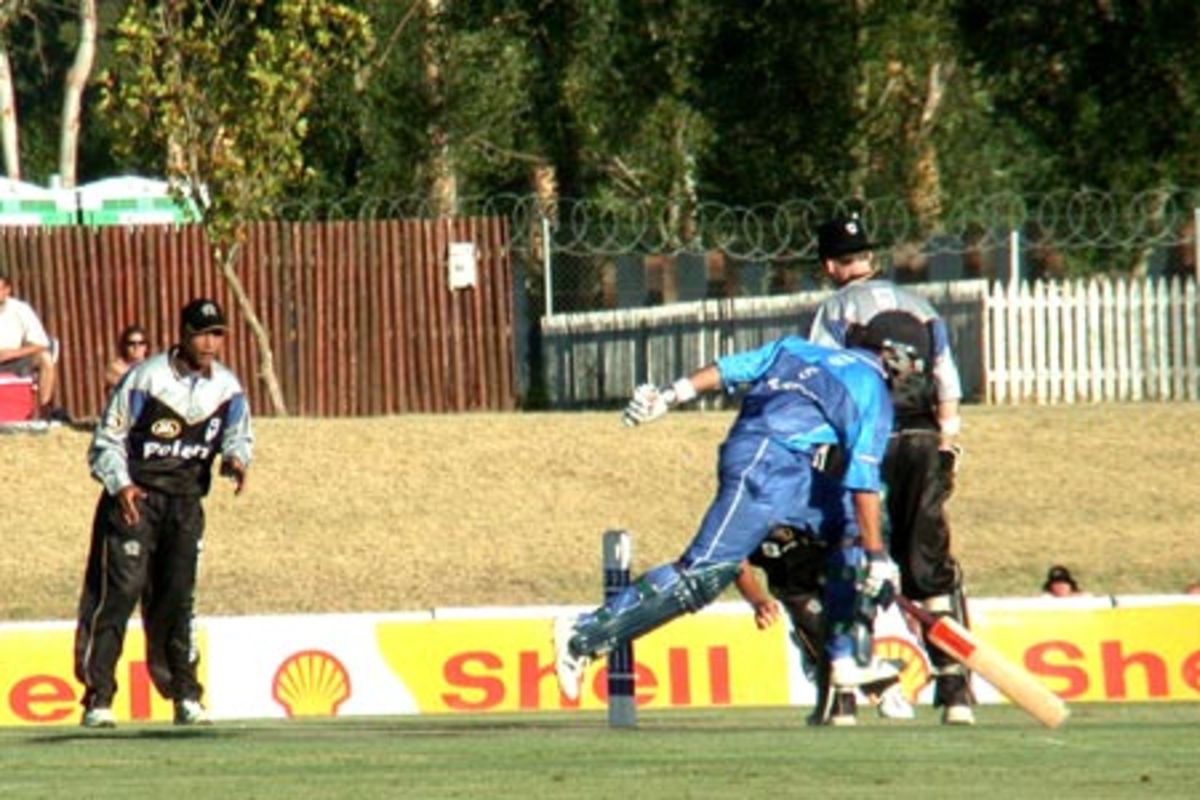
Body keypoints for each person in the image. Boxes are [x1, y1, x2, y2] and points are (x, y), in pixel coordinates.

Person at [553, 331, 909, 708]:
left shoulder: (796, 349)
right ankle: (581, 636)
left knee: (851, 522)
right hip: (767, 464)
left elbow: (729, 369)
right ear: (888, 366)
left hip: (784, 466)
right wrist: (878, 557)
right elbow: (863, 480)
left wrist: (670, 396)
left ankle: (845, 652)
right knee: (702, 575)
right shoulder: (872, 389)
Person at [809, 212, 976, 725]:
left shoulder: (836, 309)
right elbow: (947, 382)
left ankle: (843, 696)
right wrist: (946, 445)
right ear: (870, 259)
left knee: (856, 556)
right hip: (925, 442)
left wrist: (819, 450)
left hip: (867, 446)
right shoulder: (923, 308)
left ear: (830, 265)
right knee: (930, 565)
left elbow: (821, 380)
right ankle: (954, 691)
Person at [74, 298, 253, 729]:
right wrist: (122, 485)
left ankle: (185, 696)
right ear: (183, 334)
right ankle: (98, 699)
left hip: (186, 503)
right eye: (202, 334)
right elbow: (106, 441)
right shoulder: (146, 379)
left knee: (178, 599)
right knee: (120, 595)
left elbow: (239, 435)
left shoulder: (226, 388)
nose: (210, 343)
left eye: (217, 334)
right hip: (136, 500)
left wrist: (236, 459)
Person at [733, 528, 915, 726]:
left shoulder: (809, 506)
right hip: (795, 589)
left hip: (836, 576)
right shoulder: (749, 514)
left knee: (849, 633)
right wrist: (758, 600)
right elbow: (734, 560)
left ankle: (886, 691)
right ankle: (840, 702)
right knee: (820, 639)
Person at [0, 270, 63, 421]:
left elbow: (41, 343)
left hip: (15, 359)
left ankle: (43, 410)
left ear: (7, 290)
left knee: (45, 359)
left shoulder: (20, 309)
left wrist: (12, 354)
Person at [105, 324, 152, 394]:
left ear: (146, 346)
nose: (136, 347)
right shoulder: (116, 367)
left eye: (141, 343)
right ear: (124, 346)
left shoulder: (153, 366)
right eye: (131, 343)